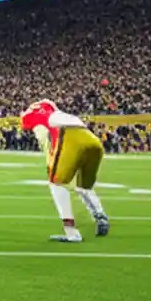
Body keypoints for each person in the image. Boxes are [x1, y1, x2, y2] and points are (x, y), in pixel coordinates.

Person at [21, 100, 109, 242]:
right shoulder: (57, 112)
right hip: (92, 141)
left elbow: (43, 137)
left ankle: (71, 232)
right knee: (82, 184)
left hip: (69, 137)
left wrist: (51, 162)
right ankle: (100, 215)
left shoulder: (32, 117)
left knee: (55, 182)